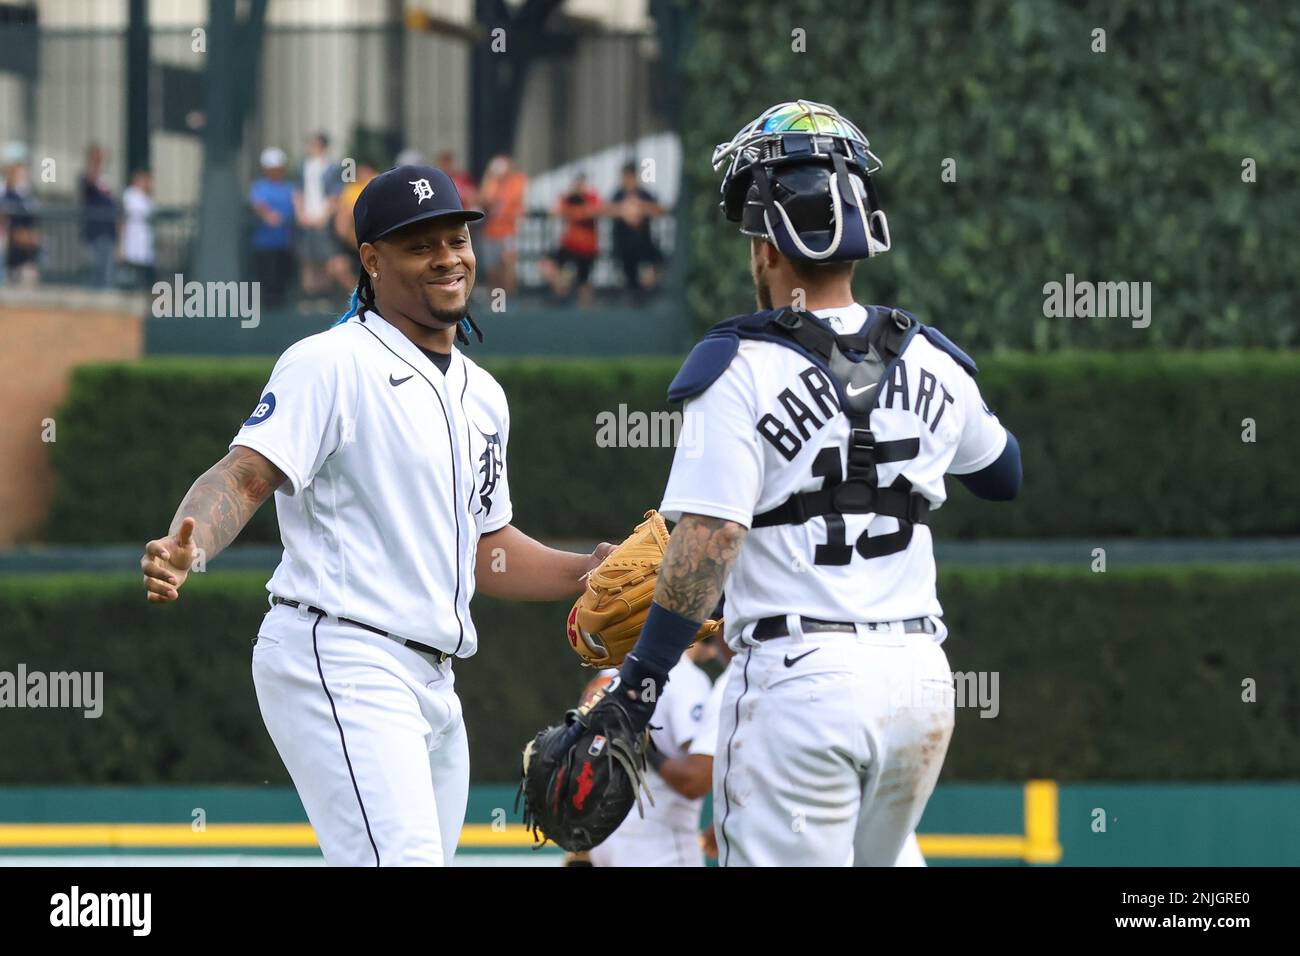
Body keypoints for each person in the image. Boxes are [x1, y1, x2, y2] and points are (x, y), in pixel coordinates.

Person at [535, 100, 1022, 867]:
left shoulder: (738, 363)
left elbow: (712, 536)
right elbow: (1003, 475)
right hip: (920, 685)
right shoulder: (930, 355)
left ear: (764, 245)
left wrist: (636, 690)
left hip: (802, 687)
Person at [140, 164, 612, 866]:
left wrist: (587, 569)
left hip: (433, 681)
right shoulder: (330, 363)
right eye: (421, 245)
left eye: (456, 239)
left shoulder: (485, 398)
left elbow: (487, 551)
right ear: (371, 260)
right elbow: (244, 475)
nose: (447, 258)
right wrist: (191, 543)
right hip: (342, 653)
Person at [579, 639, 714, 867]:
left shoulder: (607, 676)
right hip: (658, 847)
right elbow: (695, 781)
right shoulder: (686, 679)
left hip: (603, 841)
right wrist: (641, 744)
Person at [538, 172, 601, 308]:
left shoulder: (591, 197)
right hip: (569, 246)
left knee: (584, 282)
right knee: (546, 265)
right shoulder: (567, 198)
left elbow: (592, 211)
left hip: (587, 249)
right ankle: (563, 289)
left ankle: (585, 312)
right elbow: (553, 211)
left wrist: (574, 209)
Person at [294, 133, 341, 307]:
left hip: (323, 221)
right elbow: (298, 192)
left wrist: (324, 216)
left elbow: (335, 195)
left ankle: (324, 296)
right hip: (306, 220)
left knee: (325, 258)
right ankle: (309, 296)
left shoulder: (332, 167)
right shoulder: (302, 167)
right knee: (307, 259)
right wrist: (301, 213)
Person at [249, 146, 297, 309]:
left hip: (285, 242)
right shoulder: (260, 186)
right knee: (267, 278)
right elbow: (258, 205)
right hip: (265, 243)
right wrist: (268, 216)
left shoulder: (289, 187)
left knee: (283, 279)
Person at [608, 161, 664, 299]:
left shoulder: (643, 194)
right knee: (630, 280)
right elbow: (608, 210)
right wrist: (625, 209)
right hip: (624, 246)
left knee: (657, 265)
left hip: (643, 244)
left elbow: (659, 210)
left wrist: (639, 207)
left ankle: (644, 290)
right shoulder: (618, 194)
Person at [477, 154, 526, 297]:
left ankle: (508, 302)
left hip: (508, 232)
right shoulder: (492, 182)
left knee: (508, 266)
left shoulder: (517, 180)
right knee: (492, 270)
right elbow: (485, 199)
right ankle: (497, 304)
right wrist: (490, 178)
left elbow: (515, 200)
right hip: (491, 232)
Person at [327, 159, 377, 293]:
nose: (360, 173)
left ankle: (373, 295)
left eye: (363, 170)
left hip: (373, 241)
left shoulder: (376, 185)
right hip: (350, 243)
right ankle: (362, 295)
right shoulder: (351, 188)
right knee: (335, 267)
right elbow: (341, 214)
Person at [80, 144, 116, 288]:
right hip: (94, 231)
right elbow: (90, 182)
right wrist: (94, 162)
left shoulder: (106, 178)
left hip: (108, 231)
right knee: (95, 269)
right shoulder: (86, 176)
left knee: (107, 272)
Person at [1, 162, 40, 287]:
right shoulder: (8, 195)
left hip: (26, 249)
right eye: (18, 174)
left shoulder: (27, 196)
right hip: (11, 241)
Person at [118, 168, 155, 290]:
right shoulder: (129, 195)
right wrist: (121, 245)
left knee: (145, 279)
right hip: (132, 244)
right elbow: (122, 219)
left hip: (145, 245)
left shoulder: (147, 198)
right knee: (132, 279)